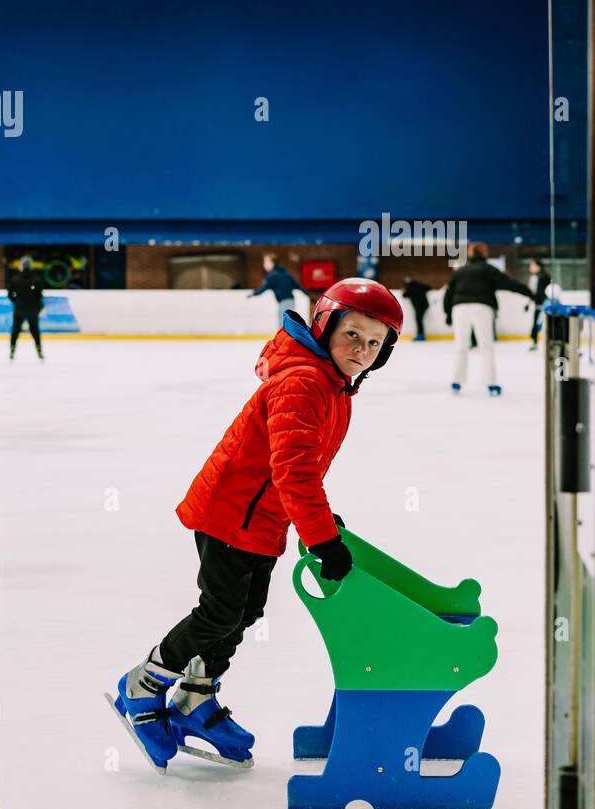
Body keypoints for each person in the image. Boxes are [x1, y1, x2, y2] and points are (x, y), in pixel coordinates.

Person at [108, 278, 403, 774]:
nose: (363, 350)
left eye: (375, 343)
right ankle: (143, 685)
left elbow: (298, 466)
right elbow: (294, 473)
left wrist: (317, 518)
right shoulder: (304, 382)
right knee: (219, 614)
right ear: (326, 326)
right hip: (231, 513)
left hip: (262, 517)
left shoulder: (334, 386)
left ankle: (195, 701)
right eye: (353, 334)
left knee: (245, 612)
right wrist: (322, 537)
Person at [443, 242, 535, 397]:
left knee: (461, 345)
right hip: (482, 308)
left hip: (460, 308)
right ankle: (490, 383)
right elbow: (508, 283)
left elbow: (449, 293)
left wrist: (447, 313)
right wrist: (530, 293)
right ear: (484, 254)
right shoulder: (488, 269)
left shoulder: (461, 271)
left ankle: (456, 381)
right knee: (486, 345)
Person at [248, 253, 304, 326]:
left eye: (266, 262)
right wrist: (308, 294)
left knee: (283, 324)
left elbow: (264, 288)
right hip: (289, 301)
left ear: (272, 262)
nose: (264, 264)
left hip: (285, 302)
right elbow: (297, 285)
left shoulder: (273, 275)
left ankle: (285, 337)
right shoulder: (284, 272)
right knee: (285, 323)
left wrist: (253, 293)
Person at [8, 255, 45, 360]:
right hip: (32, 310)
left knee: (15, 330)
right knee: (35, 331)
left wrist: (17, 302)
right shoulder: (36, 280)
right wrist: (36, 306)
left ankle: (12, 349)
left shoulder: (15, 279)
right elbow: (39, 296)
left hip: (19, 309)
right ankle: (39, 350)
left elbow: (10, 295)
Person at [527, 258, 552, 349]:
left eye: (532, 265)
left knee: (541, 324)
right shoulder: (535, 277)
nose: (530, 267)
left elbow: (542, 292)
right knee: (537, 324)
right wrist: (529, 303)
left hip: (544, 305)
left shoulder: (544, 277)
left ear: (538, 266)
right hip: (539, 304)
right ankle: (535, 342)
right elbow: (532, 292)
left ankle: (546, 343)